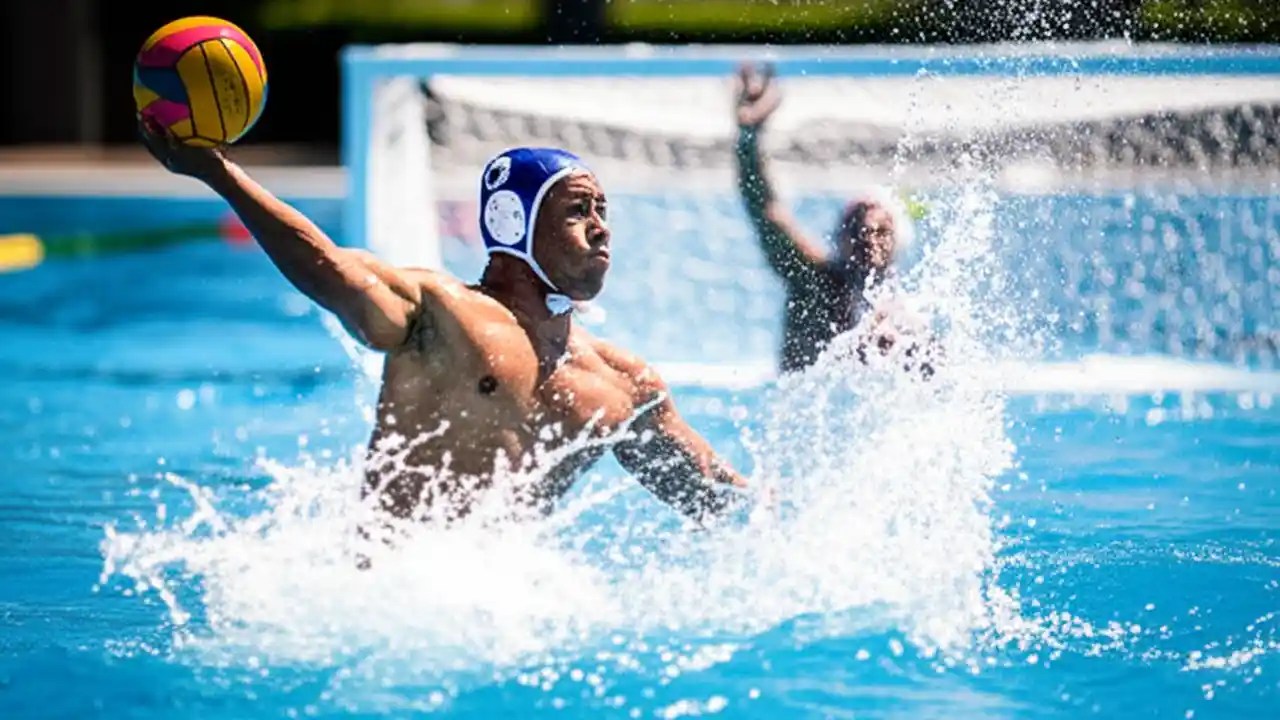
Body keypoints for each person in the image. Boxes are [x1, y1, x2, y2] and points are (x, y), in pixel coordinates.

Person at [136, 117, 749, 527]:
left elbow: (716, 499)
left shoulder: (622, 384)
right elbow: (325, 267)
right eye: (577, 210)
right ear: (512, 224)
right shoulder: (441, 311)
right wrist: (218, 173)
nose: (601, 226)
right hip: (387, 598)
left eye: (603, 210)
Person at [733, 63, 931, 375]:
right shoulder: (811, 279)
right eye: (856, 225)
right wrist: (748, 138)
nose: (866, 233)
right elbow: (765, 209)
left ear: (897, 244)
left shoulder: (905, 317)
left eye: (881, 230)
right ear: (839, 237)